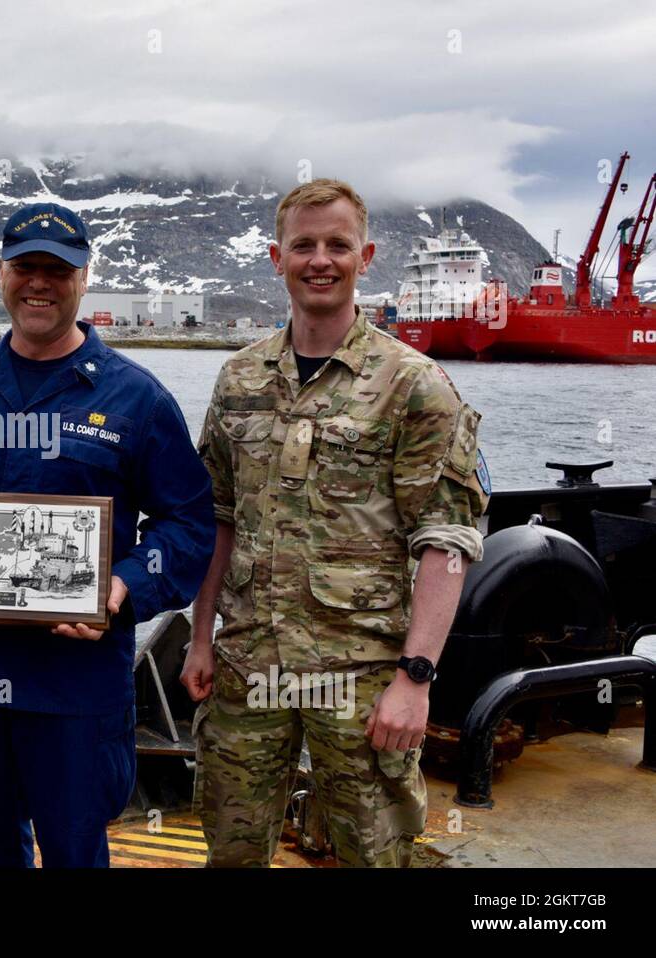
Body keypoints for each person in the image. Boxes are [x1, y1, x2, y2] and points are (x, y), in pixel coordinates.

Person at [0, 202, 215, 867]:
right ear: (0, 273)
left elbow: (188, 522)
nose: (39, 282)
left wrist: (124, 586)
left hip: (76, 684)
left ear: (84, 278)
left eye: (58, 270)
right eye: (24, 266)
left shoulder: (137, 398)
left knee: (74, 851)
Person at [181, 178, 489, 867]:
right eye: (304, 246)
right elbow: (218, 516)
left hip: (363, 676)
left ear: (364, 256)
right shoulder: (240, 379)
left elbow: (446, 539)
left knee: (374, 856)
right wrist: (200, 639)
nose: (320, 260)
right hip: (248, 665)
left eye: (337, 245)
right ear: (277, 258)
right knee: (231, 853)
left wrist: (416, 679)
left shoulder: (414, 385)